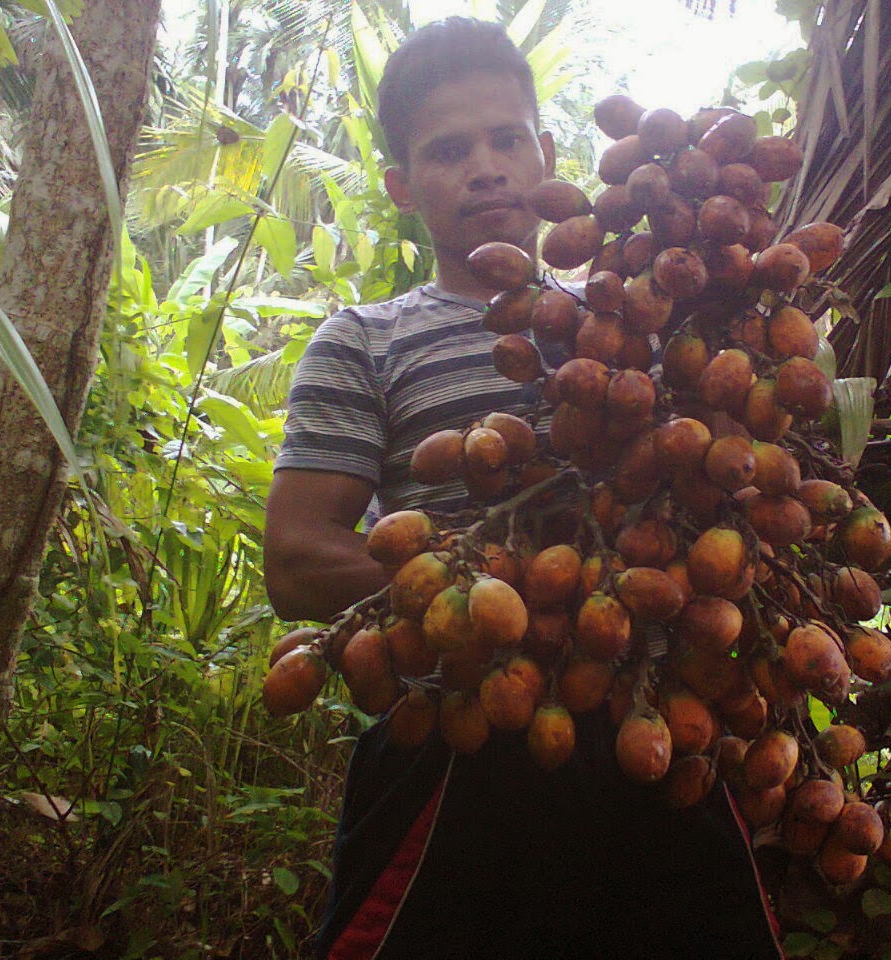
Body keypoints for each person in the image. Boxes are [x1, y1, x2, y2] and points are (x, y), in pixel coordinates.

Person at [264, 17, 783, 960]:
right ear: (402, 185)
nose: (486, 169)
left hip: (656, 730)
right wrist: (488, 593)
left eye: (507, 140)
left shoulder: (638, 317)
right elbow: (297, 563)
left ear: (545, 155)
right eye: (448, 152)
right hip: (460, 751)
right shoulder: (364, 343)